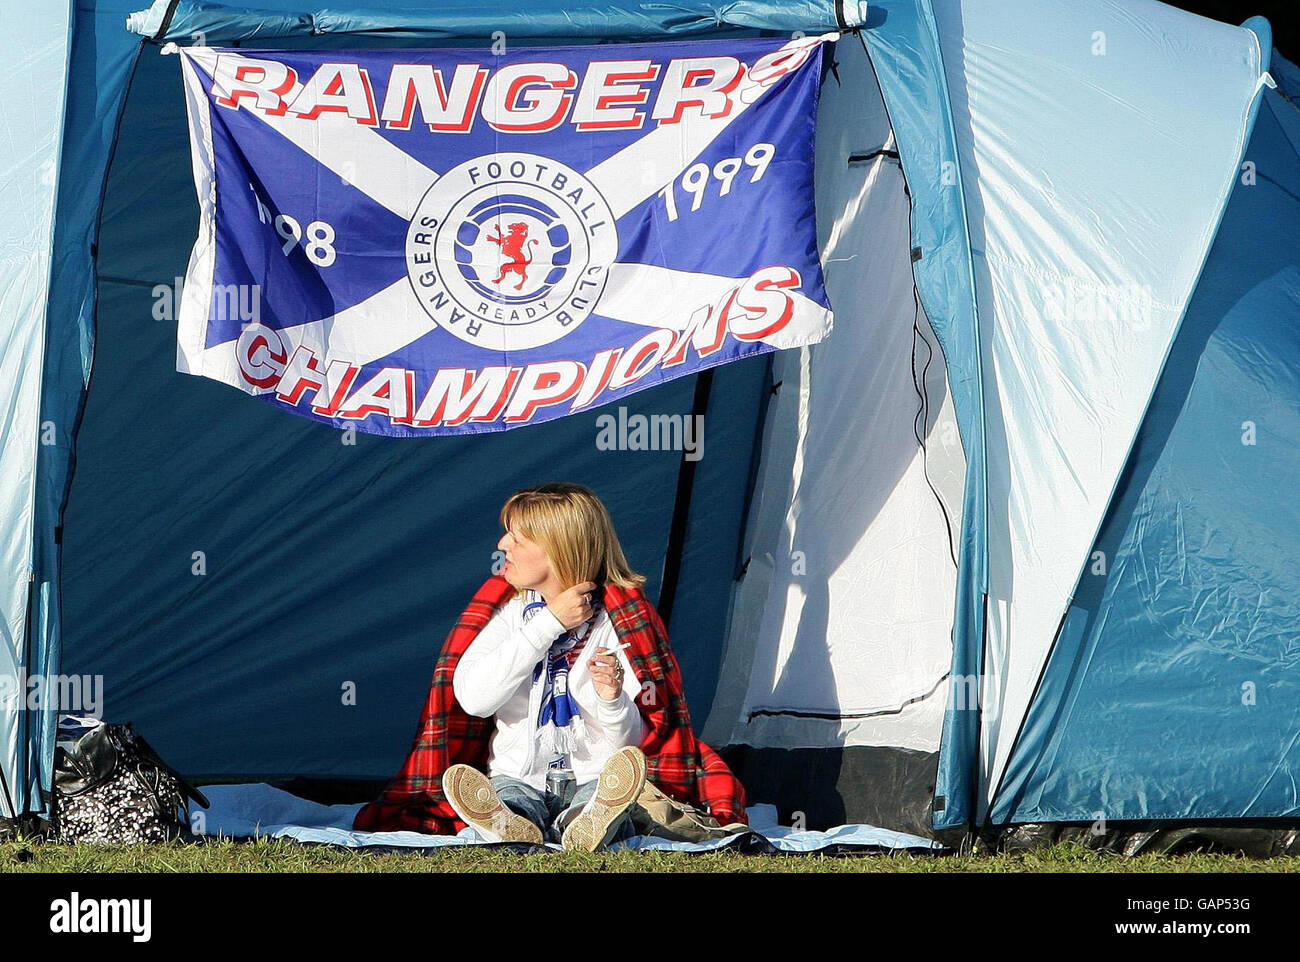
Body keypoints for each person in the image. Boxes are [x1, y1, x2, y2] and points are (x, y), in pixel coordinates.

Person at [352, 481, 748, 851]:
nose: (502, 544)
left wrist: (612, 701)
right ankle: (512, 823)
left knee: (603, 800)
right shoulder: (508, 612)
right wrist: (549, 623)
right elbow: (474, 700)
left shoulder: (620, 621)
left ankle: (587, 823)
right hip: (516, 777)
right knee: (508, 799)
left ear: (558, 549)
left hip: (593, 778)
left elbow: (628, 745)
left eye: (517, 538)